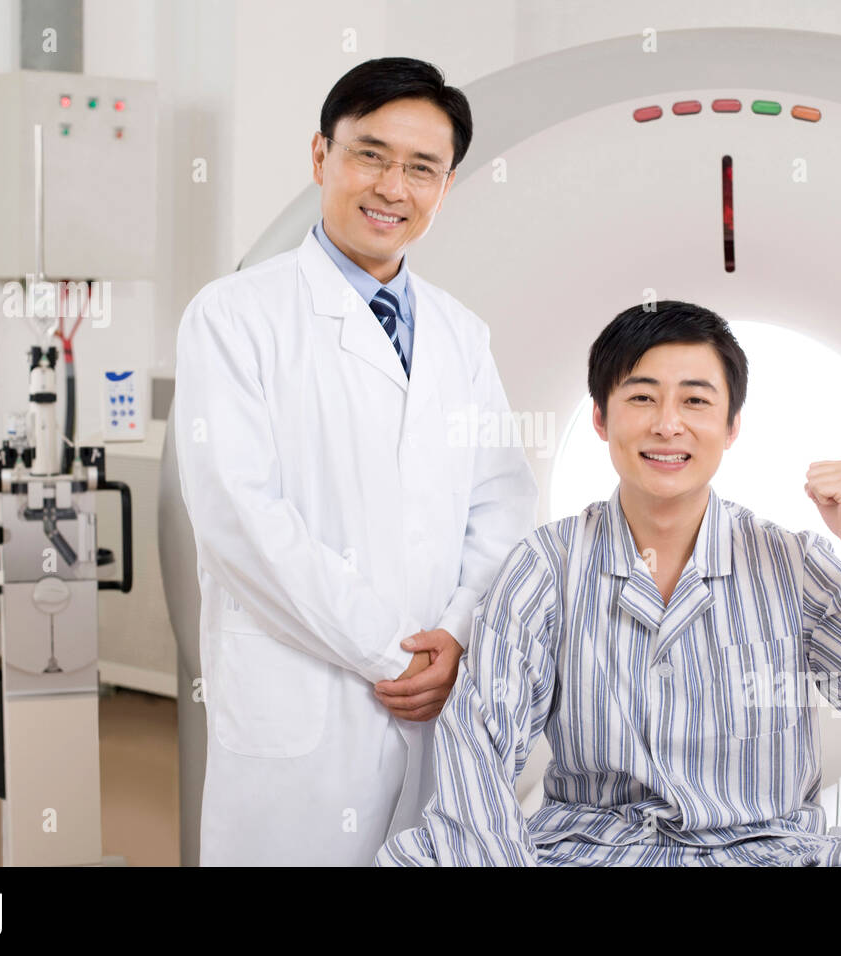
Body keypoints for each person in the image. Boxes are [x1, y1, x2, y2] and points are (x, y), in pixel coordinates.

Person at [377, 300, 841, 866]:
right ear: (599, 417)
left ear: (732, 426)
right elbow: (480, 744)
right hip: (593, 848)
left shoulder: (790, 563)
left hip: (762, 848)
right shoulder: (547, 563)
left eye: (695, 401)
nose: (668, 425)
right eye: (642, 398)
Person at [172, 57, 538, 865]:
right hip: (304, 701)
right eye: (370, 154)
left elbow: (504, 505)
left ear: (444, 187)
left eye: (421, 169)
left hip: (438, 691)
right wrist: (390, 652)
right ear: (321, 158)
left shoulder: (459, 334)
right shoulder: (234, 316)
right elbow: (241, 517)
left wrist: (458, 632)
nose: (391, 187)